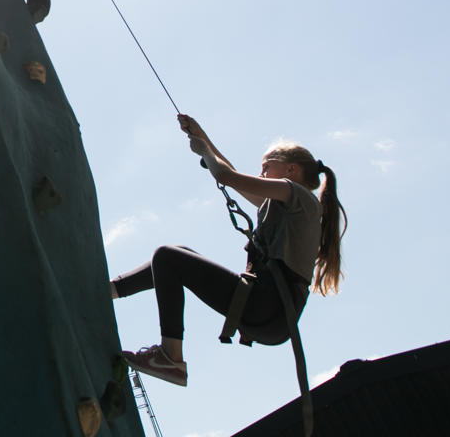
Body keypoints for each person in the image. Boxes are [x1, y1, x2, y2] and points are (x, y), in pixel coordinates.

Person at [110, 114, 346, 387]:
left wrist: (205, 152)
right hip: (273, 315)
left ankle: (171, 356)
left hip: (267, 303)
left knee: (167, 256)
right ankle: (112, 290)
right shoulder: (288, 205)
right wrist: (201, 137)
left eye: (265, 167)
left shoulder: (294, 194)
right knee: (178, 254)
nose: (260, 174)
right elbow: (232, 173)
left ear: (291, 170)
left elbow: (226, 176)